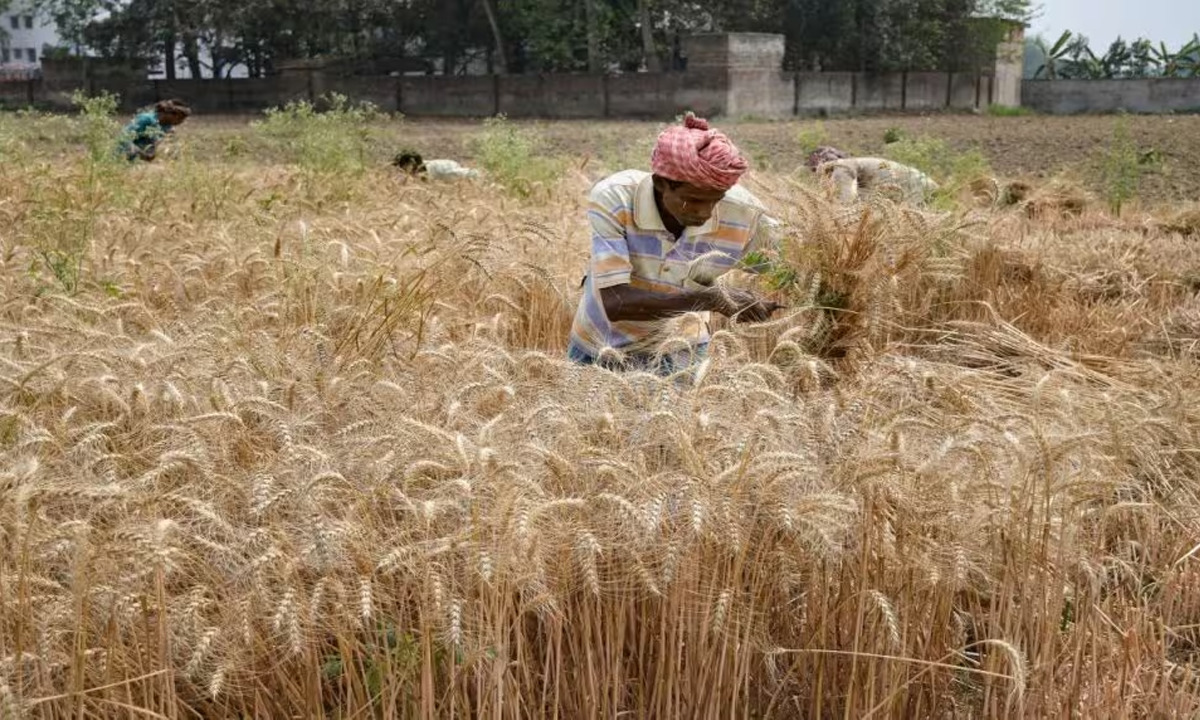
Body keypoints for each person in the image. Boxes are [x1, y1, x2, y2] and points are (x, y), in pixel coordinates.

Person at [567, 112, 783, 376]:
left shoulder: (745, 214)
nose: (704, 213)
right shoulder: (615, 198)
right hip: (599, 347)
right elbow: (616, 303)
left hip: (681, 352)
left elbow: (794, 265)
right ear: (661, 183)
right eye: (692, 200)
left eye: (714, 200)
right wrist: (713, 299)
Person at [806, 146, 938, 205]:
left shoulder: (841, 167)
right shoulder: (855, 165)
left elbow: (845, 204)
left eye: (814, 170)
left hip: (918, 191)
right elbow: (864, 200)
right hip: (927, 186)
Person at [118, 99, 191, 162]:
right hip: (124, 158)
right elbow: (123, 138)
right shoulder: (146, 119)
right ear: (169, 114)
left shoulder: (168, 126)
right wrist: (142, 154)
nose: (181, 122)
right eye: (180, 118)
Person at [392, 150, 480, 180]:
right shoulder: (421, 169)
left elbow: (473, 174)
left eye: (402, 166)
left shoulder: (441, 171)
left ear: (411, 164)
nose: (400, 170)